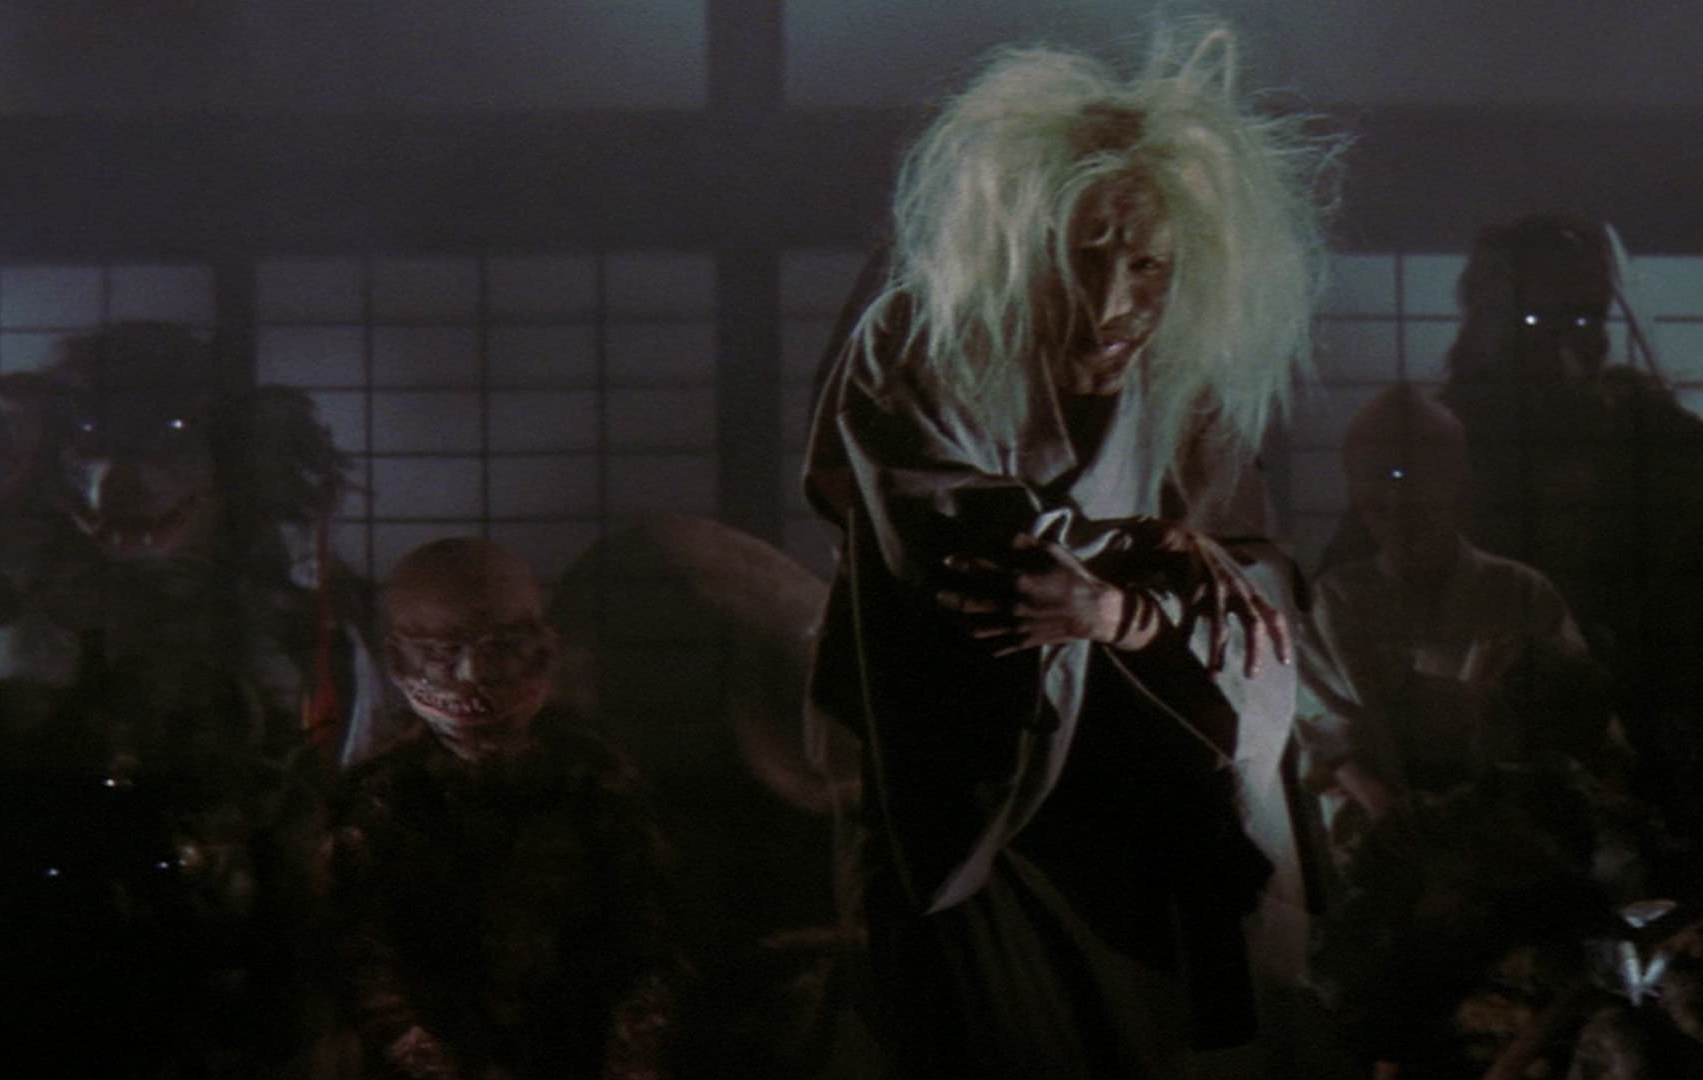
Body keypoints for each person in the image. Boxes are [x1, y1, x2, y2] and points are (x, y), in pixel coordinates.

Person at [803, 22, 1342, 1079]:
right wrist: (1137, 550)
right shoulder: (925, 338)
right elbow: (961, 553)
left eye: (1148, 266)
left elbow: (1249, 584)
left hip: (1136, 792)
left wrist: (1124, 615)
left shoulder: (1184, 382)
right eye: (1085, 256)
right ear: (1027, 240)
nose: (1112, 303)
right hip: (970, 775)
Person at [327, 538, 677, 1080]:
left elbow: (647, 943)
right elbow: (361, 958)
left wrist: (632, 1060)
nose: (472, 673)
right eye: (441, 653)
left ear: (543, 649)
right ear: (397, 660)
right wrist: (419, 1057)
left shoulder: (595, 779)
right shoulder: (380, 796)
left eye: (502, 647)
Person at [1296, 384, 1610, 867]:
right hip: (1383, 835)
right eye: (1371, 484)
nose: (1393, 502)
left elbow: (1575, 720)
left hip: (1513, 829)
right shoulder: (1335, 599)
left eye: (1408, 479)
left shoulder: (1520, 591)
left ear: (1457, 483)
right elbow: (1325, 733)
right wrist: (1385, 807)